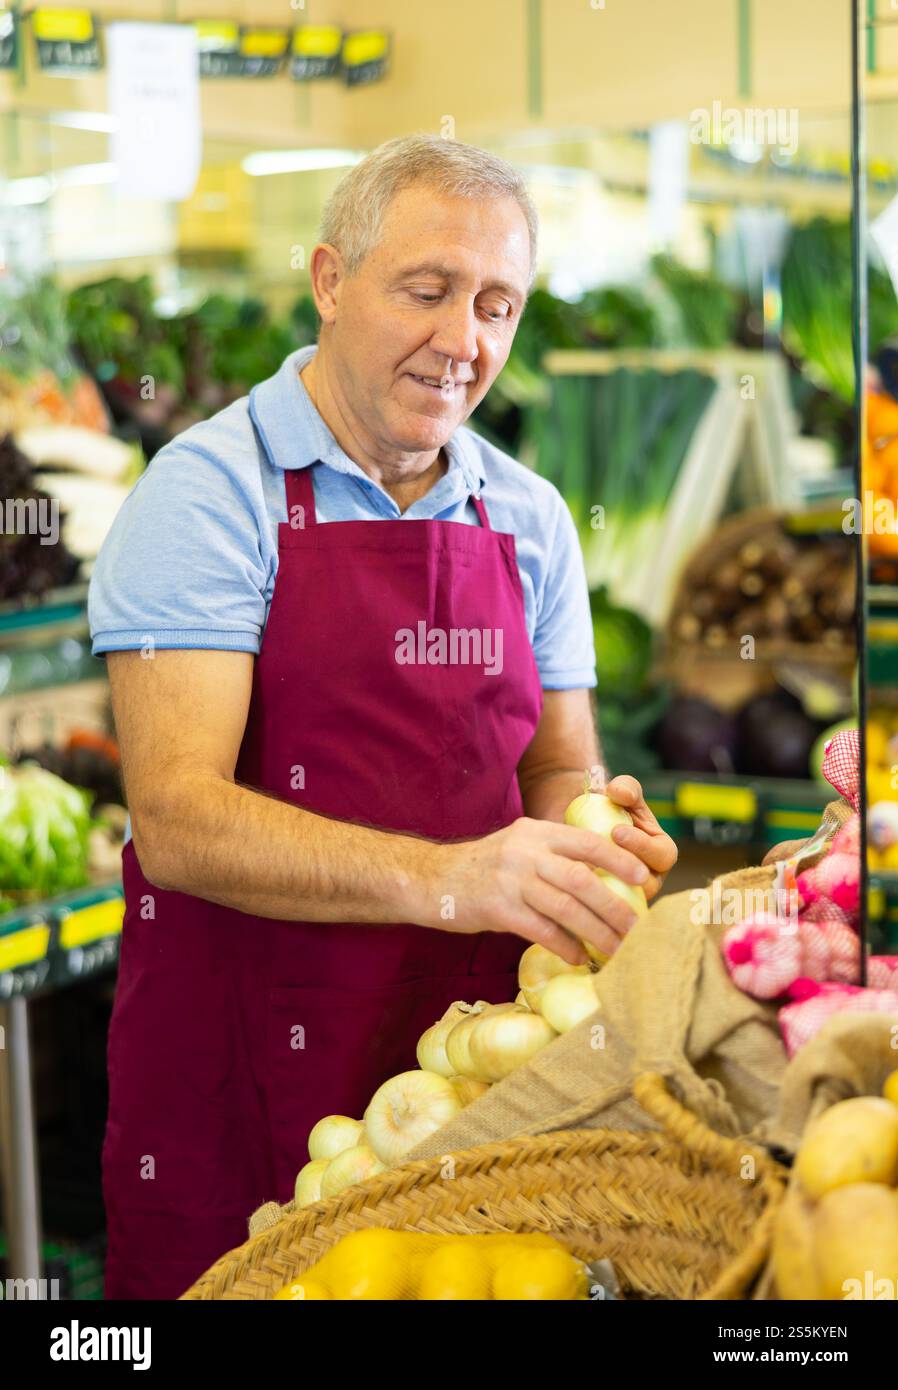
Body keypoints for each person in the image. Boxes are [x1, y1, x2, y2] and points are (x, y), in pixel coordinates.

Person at [89, 134, 677, 1299]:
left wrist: (587, 840)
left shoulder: (529, 514)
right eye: (428, 290)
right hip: (240, 1070)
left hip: (464, 1083)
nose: (464, 342)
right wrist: (461, 877)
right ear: (328, 281)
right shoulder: (209, 495)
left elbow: (558, 763)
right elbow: (180, 820)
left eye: (497, 305)